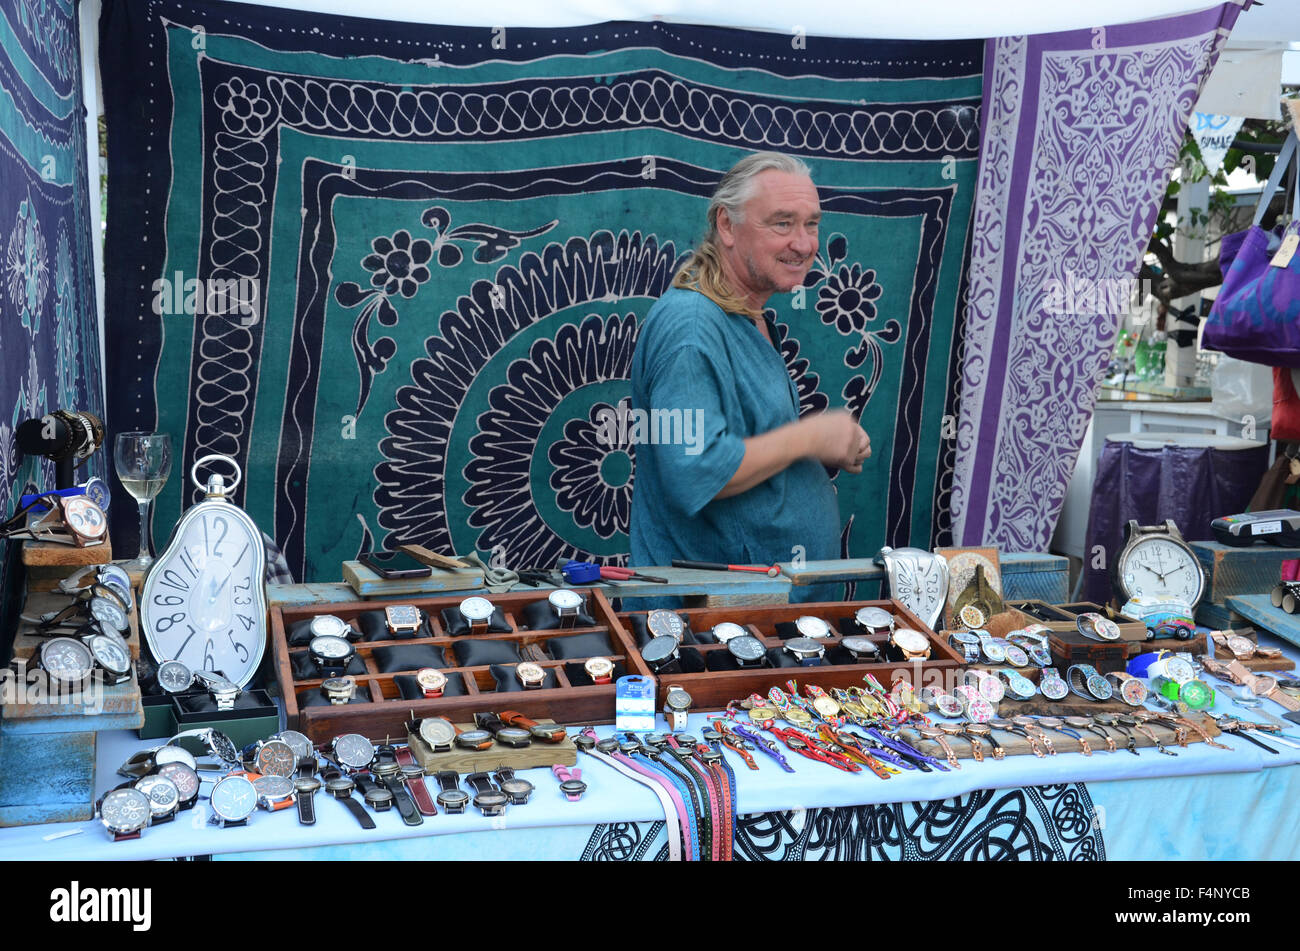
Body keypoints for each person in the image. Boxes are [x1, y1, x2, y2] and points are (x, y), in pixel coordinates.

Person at [628, 151, 870, 603]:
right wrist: (811, 436)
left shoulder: (744, 314)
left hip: (761, 609)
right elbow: (698, 470)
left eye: (811, 224)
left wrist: (821, 453)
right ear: (726, 225)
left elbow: (744, 444)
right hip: (712, 624)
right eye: (782, 223)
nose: (804, 244)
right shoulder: (692, 328)